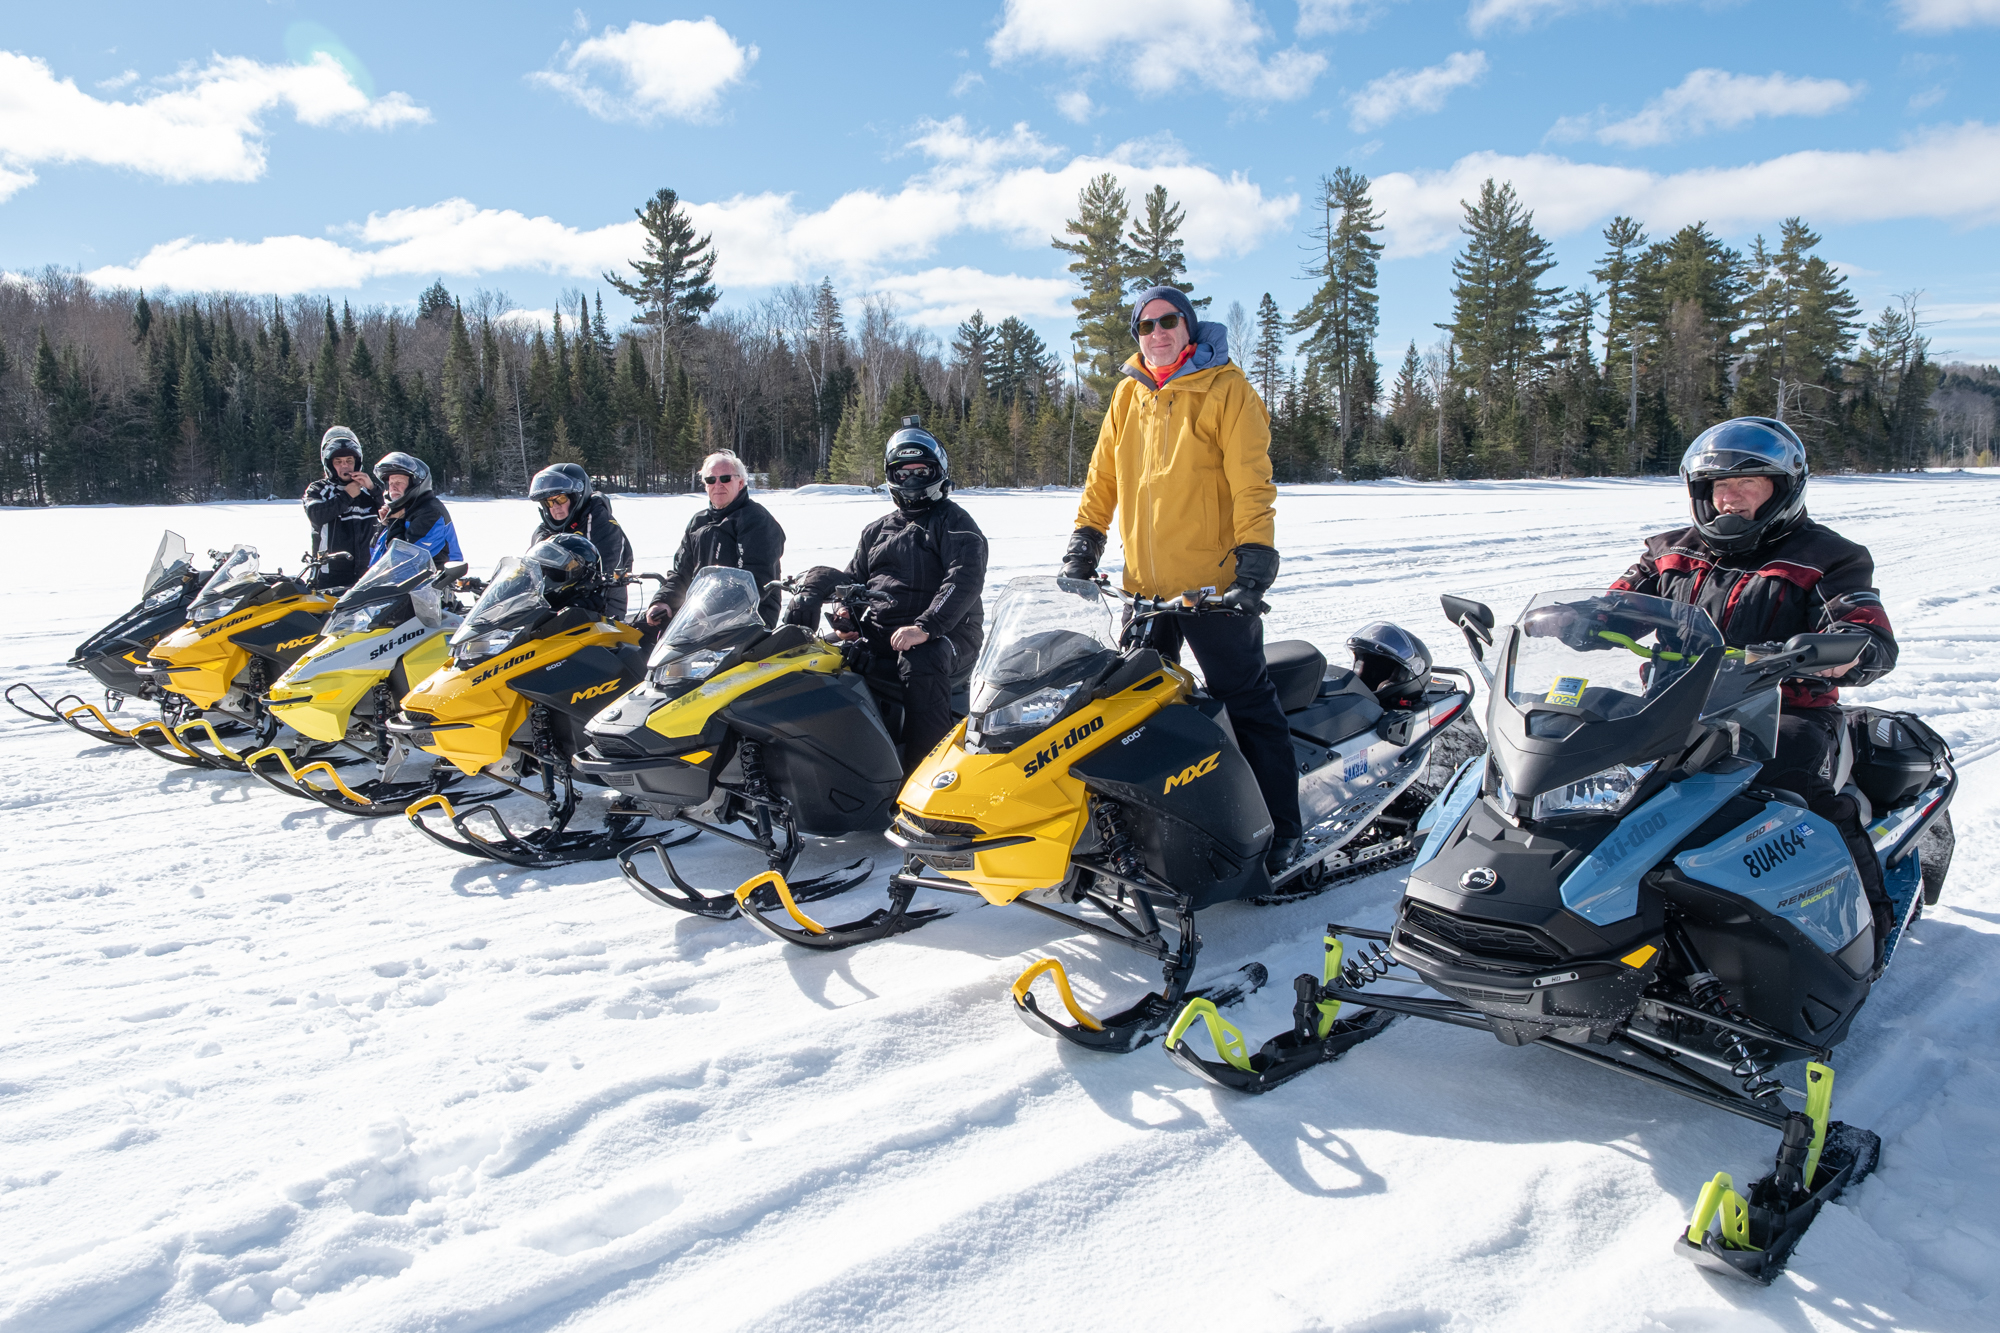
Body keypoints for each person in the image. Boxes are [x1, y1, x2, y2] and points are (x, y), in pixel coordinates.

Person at [1607, 416, 1899, 956]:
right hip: (1669, 708)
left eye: (1747, 485)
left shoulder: (1828, 557)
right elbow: (1618, 603)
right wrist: (1575, 623)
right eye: (1720, 487)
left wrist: (1836, 651)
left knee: (1797, 790)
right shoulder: (1669, 550)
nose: (1730, 499)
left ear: (1781, 490)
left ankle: (1866, 931)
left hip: (1782, 712)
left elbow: (1867, 631)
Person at [1060, 285, 1300, 875]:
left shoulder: (1227, 389)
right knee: (1131, 715)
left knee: (1245, 703)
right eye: (1145, 326)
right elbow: (1103, 477)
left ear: (1189, 328)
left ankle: (1285, 828)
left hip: (1214, 590)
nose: (1157, 333)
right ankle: (1141, 833)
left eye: (1168, 321)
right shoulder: (1128, 394)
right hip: (1144, 590)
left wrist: (1254, 567)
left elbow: (1251, 484)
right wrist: (1085, 540)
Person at [792, 419, 987, 772]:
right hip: (885, 632)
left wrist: (926, 627)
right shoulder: (877, 530)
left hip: (949, 633)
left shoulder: (954, 522)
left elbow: (964, 579)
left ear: (938, 472)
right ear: (891, 477)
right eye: (902, 473)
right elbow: (853, 580)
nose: (911, 480)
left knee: (921, 659)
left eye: (920, 471)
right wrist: (840, 610)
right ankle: (841, 765)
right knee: (822, 660)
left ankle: (926, 775)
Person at [647, 450, 785, 631]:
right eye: (711, 480)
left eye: (725, 478)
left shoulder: (756, 520)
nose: (718, 485)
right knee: (640, 637)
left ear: (741, 482)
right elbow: (681, 573)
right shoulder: (699, 522)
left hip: (749, 618)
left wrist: (713, 610)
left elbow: (756, 579)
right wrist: (662, 601)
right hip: (698, 616)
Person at [529, 464, 631, 612]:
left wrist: (590, 595)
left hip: (600, 605)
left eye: (561, 499)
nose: (555, 507)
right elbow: (529, 568)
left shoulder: (601, 524)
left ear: (576, 497)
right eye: (549, 502)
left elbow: (609, 568)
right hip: (552, 603)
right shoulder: (544, 531)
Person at [301, 426, 376, 589]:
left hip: (368, 574)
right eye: (338, 462)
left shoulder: (369, 493)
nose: (345, 466)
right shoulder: (318, 489)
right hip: (329, 576)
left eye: (349, 461)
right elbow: (316, 515)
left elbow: (396, 514)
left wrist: (374, 490)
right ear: (329, 464)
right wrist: (346, 496)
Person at [369, 452, 463, 565]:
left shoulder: (430, 512)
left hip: (437, 579)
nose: (393, 487)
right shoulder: (401, 511)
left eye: (398, 482)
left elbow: (404, 560)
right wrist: (384, 525)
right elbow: (374, 557)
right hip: (402, 581)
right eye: (391, 483)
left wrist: (396, 522)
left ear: (414, 484)